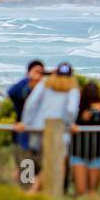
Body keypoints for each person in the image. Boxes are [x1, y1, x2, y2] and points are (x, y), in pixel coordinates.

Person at [15, 62, 80, 192]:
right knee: (52, 166)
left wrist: (25, 122)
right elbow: (71, 110)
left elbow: (31, 103)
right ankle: (33, 194)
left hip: (37, 130)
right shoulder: (73, 89)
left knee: (32, 165)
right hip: (59, 134)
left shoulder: (45, 84)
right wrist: (69, 124)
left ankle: (28, 193)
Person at [7, 60, 45, 183]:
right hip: (24, 139)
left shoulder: (44, 90)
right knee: (27, 174)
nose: (38, 75)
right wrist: (28, 80)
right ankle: (25, 193)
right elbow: (11, 92)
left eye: (41, 72)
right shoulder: (23, 89)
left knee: (41, 171)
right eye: (36, 71)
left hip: (41, 138)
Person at [71, 81, 100, 196]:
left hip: (96, 153)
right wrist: (82, 119)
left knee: (93, 192)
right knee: (81, 190)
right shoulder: (76, 110)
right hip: (79, 152)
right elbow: (72, 128)